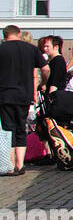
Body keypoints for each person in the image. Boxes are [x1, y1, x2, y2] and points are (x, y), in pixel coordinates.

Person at [0, 25, 44, 176]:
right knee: (21, 128)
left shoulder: (1, 49)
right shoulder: (30, 49)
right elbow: (45, 68)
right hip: (24, 95)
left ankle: (10, 165)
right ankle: (21, 164)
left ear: (4, 35)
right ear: (18, 34)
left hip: (5, 95)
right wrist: (43, 83)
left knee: (8, 129)